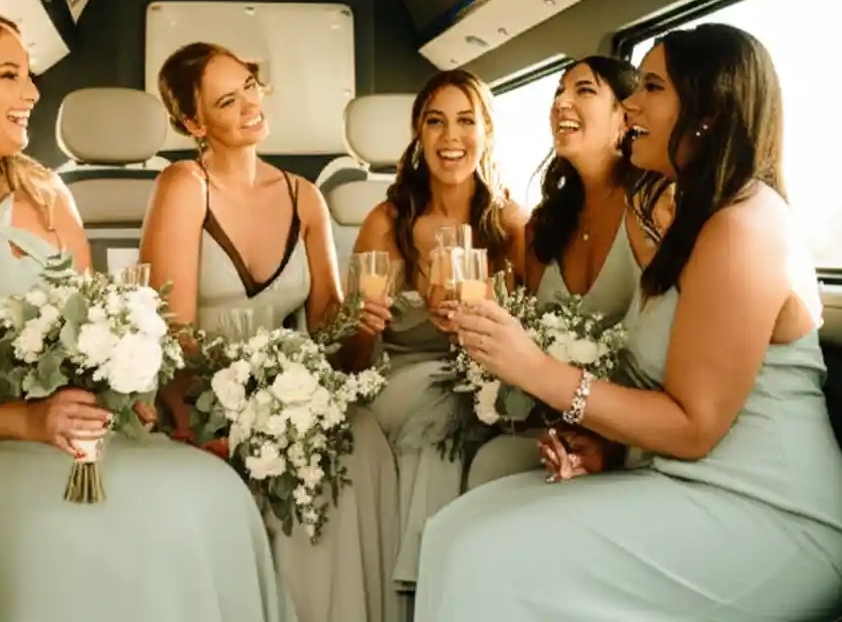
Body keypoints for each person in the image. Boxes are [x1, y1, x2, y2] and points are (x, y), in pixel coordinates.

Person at [416, 23, 842, 621]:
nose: (631, 104)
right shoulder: (690, 220)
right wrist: (606, 444)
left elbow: (693, 426)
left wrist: (533, 367)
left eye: (651, 87)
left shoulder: (744, 227)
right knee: (453, 529)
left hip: (772, 515)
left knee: (483, 554)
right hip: (680, 481)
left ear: (706, 112)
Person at [0, 10, 291, 622]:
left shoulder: (48, 194)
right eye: (10, 75)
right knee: (94, 524)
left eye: (29, 75)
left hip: (69, 426)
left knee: (213, 490)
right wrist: (30, 420)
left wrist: (125, 388)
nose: (33, 92)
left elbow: (88, 329)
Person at [139, 41, 399, 622]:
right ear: (193, 122)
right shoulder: (183, 186)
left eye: (251, 87)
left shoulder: (305, 197)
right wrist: (208, 418)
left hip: (293, 395)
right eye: (228, 100)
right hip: (201, 398)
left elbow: (333, 335)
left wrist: (362, 321)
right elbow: (173, 332)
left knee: (364, 445)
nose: (251, 105)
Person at [344, 69, 527, 594]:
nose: (451, 138)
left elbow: (535, 330)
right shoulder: (388, 221)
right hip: (399, 379)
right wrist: (362, 325)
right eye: (436, 122)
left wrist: (488, 316)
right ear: (419, 136)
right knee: (441, 402)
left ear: (486, 131)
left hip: (488, 378)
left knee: (472, 403)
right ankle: (426, 580)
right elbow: (350, 357)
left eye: (466, 121)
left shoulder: (513, 224)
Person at [463, 56, 648, 489]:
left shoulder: (650, 211)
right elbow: (524, 330)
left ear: (626, 114)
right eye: (558, 92)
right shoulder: (542, 226)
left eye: (584, 90)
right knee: (489, 460)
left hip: (633, 432)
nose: (562, 101)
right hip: (567, 425)